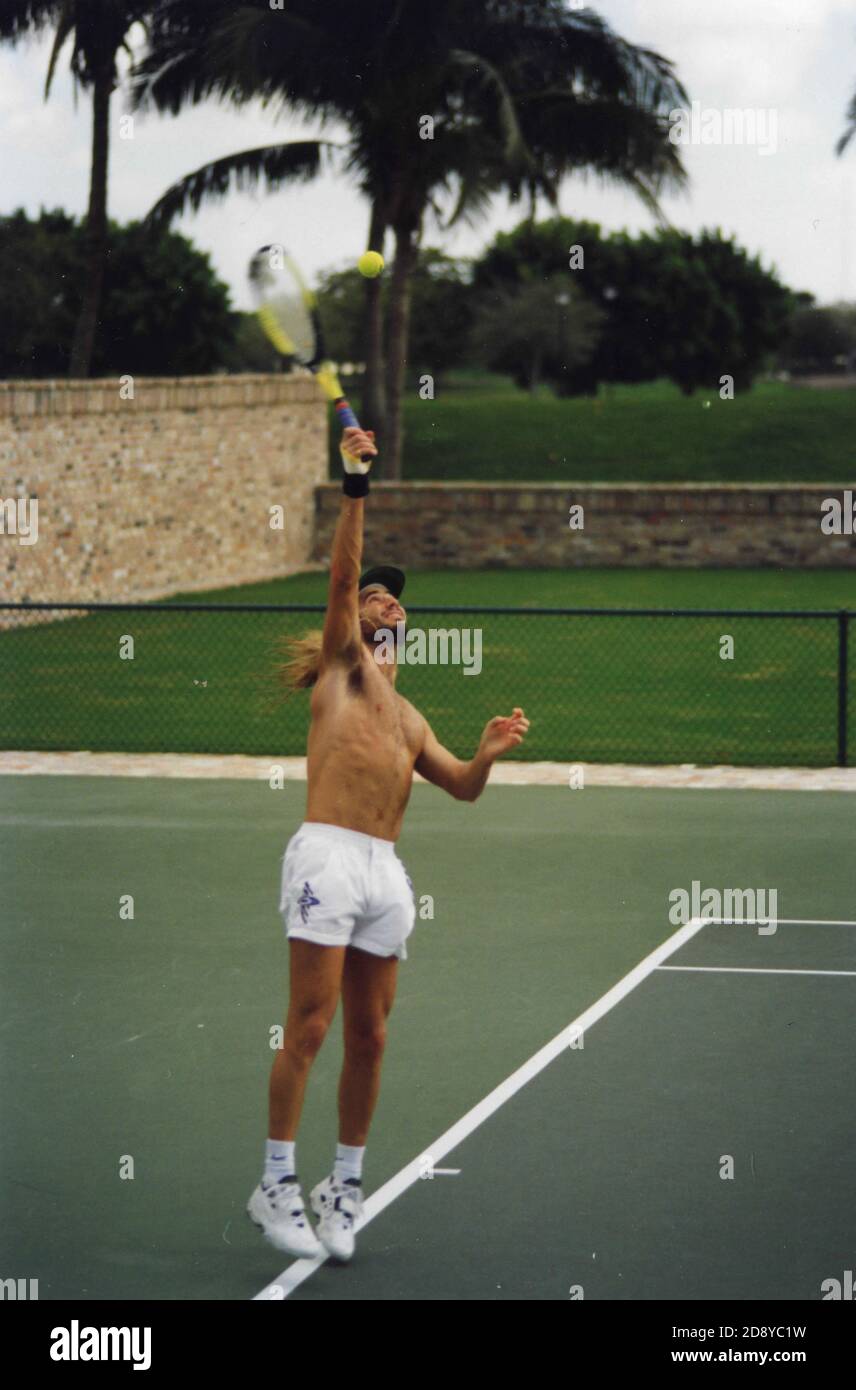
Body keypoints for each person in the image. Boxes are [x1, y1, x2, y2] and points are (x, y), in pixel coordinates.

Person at [248, 424, 529, 1262]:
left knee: (370, 1036)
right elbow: (341, 571)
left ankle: (344, 1187)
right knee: (310, 1024)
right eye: (376, 596)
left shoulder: (409, 718)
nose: (386, 601)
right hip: (327, 857)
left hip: (384, 873)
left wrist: (485, 752)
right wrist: (355, 482)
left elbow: (463, 789)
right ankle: (274, 1182)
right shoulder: (342, 670)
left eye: (396, 599)